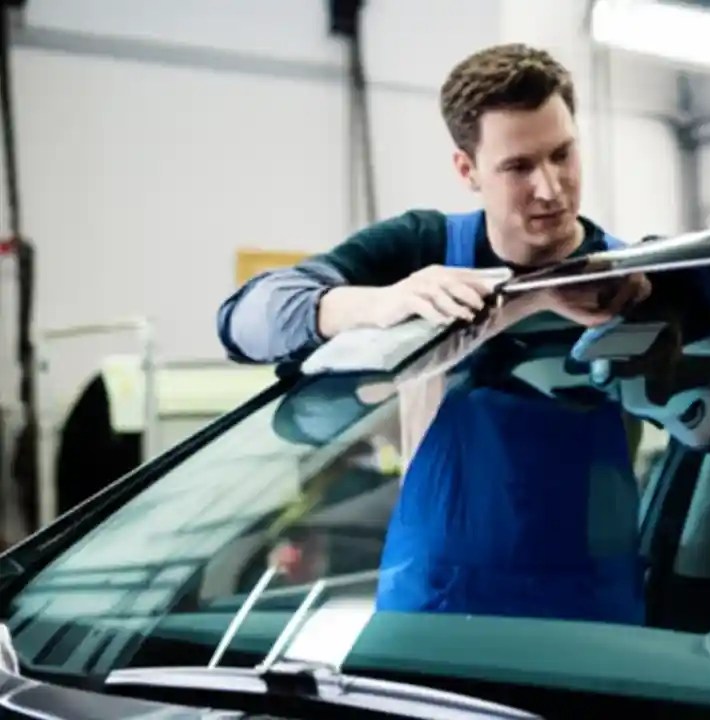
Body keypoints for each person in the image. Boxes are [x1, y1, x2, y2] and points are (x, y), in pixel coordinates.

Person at [217, 43, 656, 625]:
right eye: (518, 167)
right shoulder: (421, 249)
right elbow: (245, 320)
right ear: (467, 170)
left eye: (562, 155)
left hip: (591, 605)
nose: (550, 188)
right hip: (438, 603)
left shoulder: (632, 275)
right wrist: (379, 303)